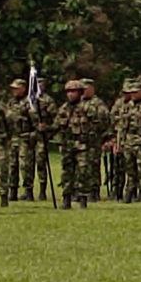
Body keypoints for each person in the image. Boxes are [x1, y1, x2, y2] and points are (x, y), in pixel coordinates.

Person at [54, 80, 92, 209]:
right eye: (68, 92)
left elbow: (100, 124)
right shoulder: (63, 109)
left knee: (83, 171)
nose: (70, 94)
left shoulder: (87, 108)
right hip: (67, 145)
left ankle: (82, 198)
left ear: (80, 92)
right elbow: (56, 125)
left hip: (83, 144)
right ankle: (66, 199)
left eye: (73, 91)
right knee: (66, 172)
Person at [4, 79, 36, 202]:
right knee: (12, 165)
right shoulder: (11, 103)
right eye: (13, 89)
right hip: (13, 138)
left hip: (25, 137)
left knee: (25, 165)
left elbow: (35, 122)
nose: (14, 91)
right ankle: (13, 190)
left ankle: (28, 191)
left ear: (23, 88)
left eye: (16, 88)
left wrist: (32, 135)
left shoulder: (29, 103)